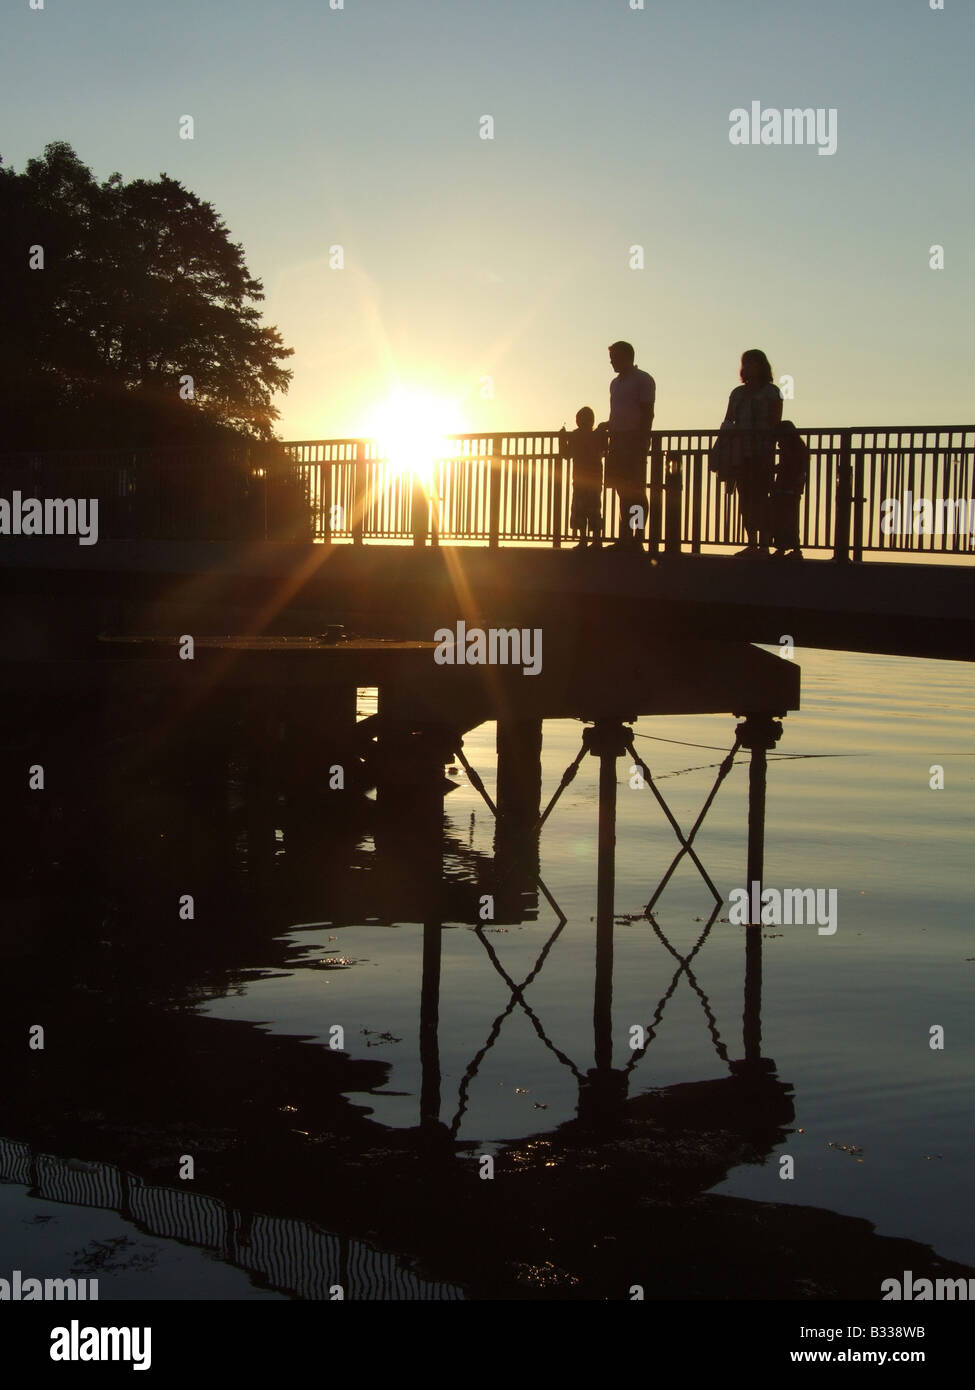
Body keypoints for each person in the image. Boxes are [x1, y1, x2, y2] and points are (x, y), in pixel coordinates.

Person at [719, 349, 782, 556]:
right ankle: (753, 541)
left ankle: (764, 543)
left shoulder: (772, 392)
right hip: (740, 453)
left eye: (752, 363)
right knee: (745, 498)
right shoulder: (737, 393)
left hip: (762, 452)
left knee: (761, 496)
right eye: (745, 364)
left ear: (761, 365)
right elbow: (729, 419)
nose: (748, 367)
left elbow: (775, 422)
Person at [601, 341, 655, 548]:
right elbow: (620, 412)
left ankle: (637, 535)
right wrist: (608, 424)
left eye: (614, 357)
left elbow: (647, 412)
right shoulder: (615, 383)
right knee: (622, 490)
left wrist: (642, 440)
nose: (611, 362)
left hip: (634, 442)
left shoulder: (643, 380)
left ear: (627, 357)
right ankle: (625, 536)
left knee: (636, 491)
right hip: (616, 441)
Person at [559, 407, 606, 548]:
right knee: (594, 508)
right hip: (595, 479)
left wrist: (561, 439)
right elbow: (604, 450)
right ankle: (596, 540)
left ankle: (583, 539)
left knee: (580, 509)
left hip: (579, 480)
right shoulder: (597, 435)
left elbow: (566, 455)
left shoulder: (575, 436)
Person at [771, 420, 808, 560]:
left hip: (787, 487)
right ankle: (789, 548)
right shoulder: (798, 447)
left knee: (785, 519)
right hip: (790, 488)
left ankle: (789, 549)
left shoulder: (791, 448)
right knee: (788, 519)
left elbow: (789, 467)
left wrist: (775, 470)